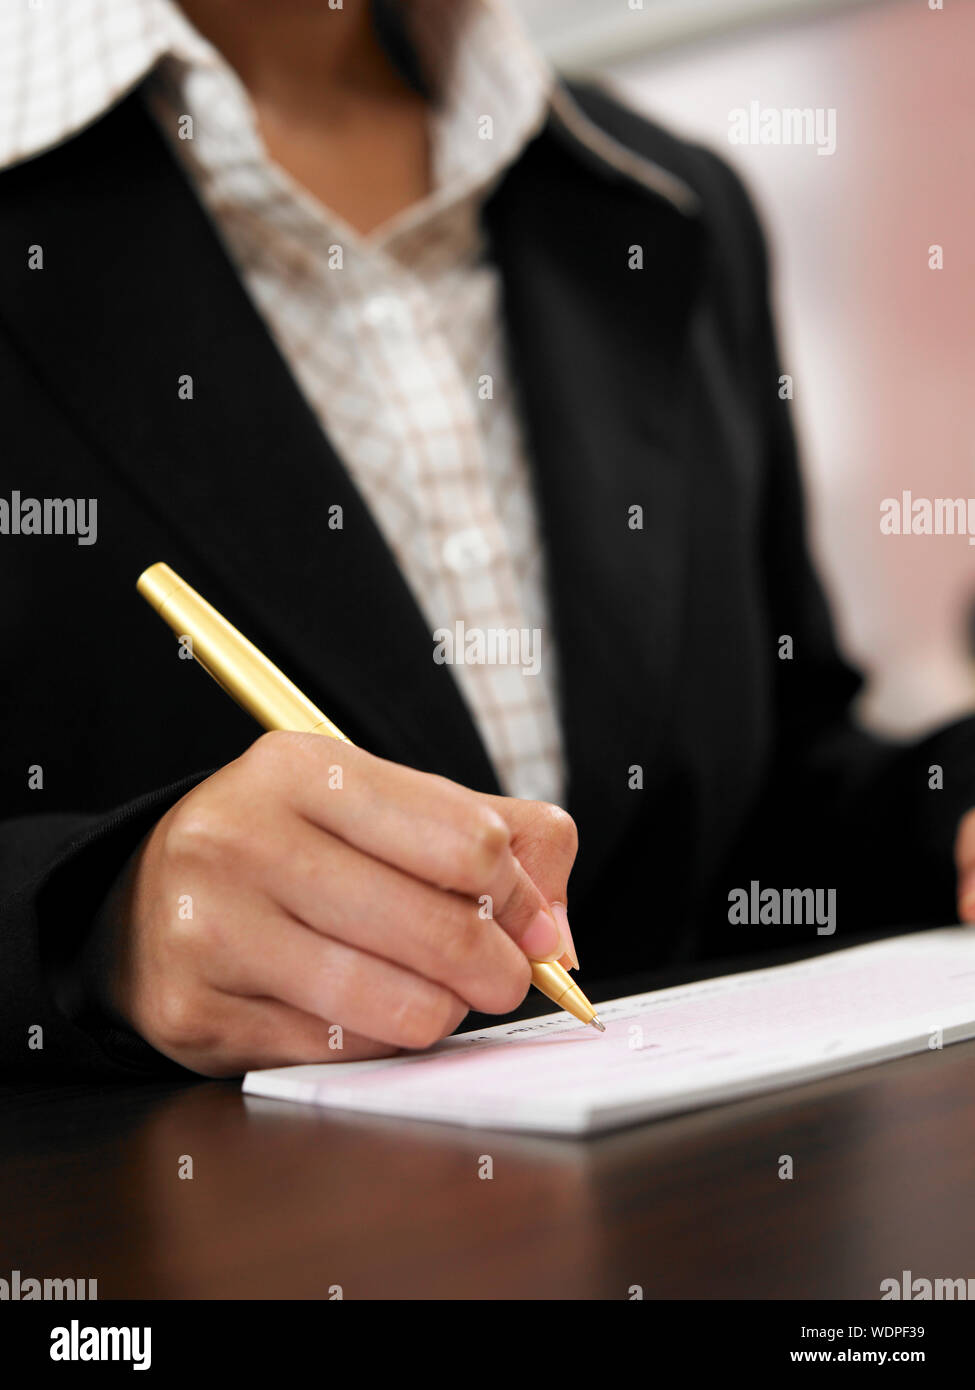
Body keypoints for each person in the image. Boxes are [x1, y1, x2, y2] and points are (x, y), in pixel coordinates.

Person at [2, 0, 973, 1083]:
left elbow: (776, 796)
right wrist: (93, 923)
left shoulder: (664, 199)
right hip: (204, 1238)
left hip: (696, 1217)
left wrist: (947, 810)